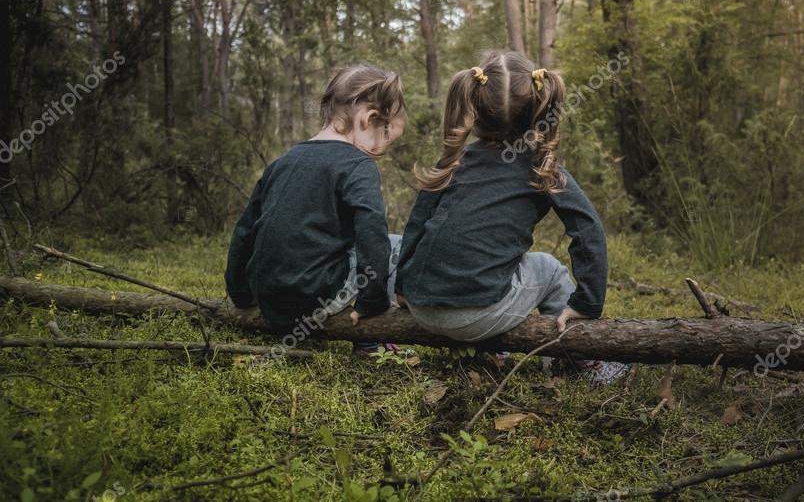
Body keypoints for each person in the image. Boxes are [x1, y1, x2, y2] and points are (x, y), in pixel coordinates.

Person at [395, 51, 631, 384]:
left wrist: (403, 286)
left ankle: (488, 347)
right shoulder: (542, 167)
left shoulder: (455, 161)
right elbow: (588, 228)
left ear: (474, 107)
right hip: (478, 315)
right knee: (548, 268)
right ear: (538, 111)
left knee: (470, 254)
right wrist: (588, 303)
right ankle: (581, 361)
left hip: (421, 308)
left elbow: (417, 223)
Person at [224, 64, 408, 357]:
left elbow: (245, 230)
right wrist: (372, 305)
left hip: (269, 299)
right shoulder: (357, 165)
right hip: (314, 298)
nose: (380, 151)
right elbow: (372, 234)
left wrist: (240, 294)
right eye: (384, 138)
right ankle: (370, 338)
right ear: (369, 118)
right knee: (399, 245)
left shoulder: (282, 162)